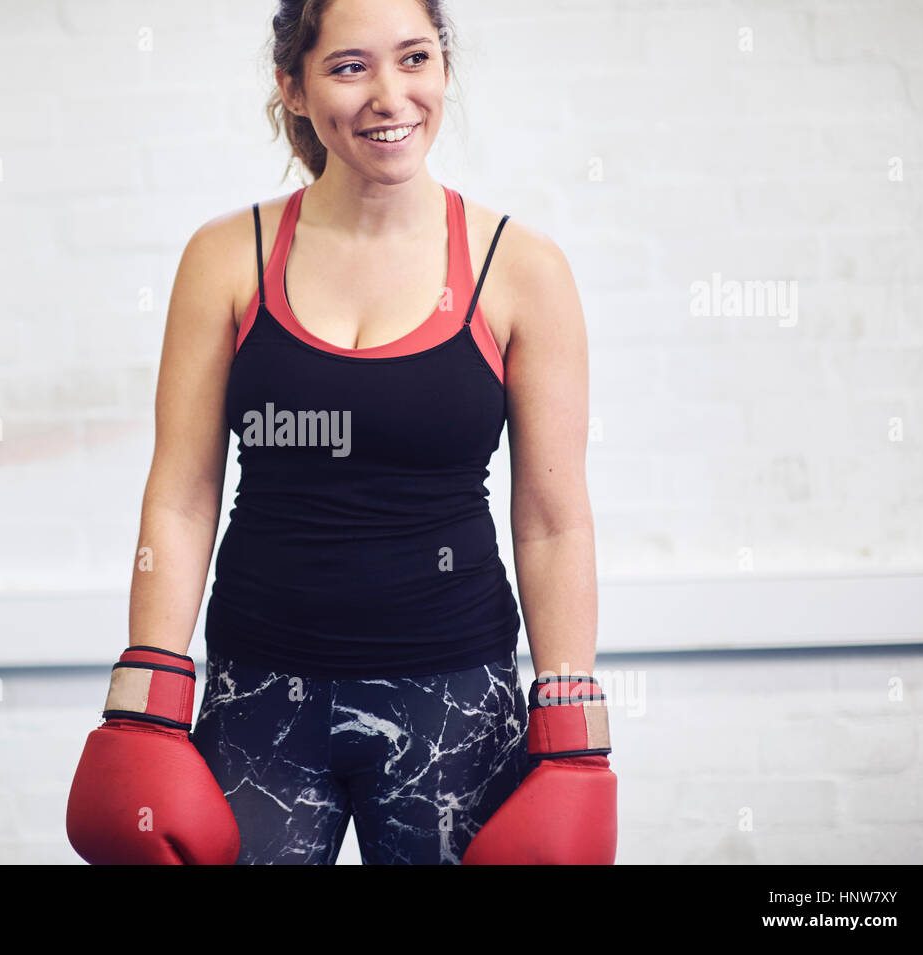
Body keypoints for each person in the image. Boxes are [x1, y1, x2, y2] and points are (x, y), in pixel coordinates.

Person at [66, 0, 616, 865]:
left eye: (416, 59)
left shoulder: (521, 268)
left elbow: (553, 517)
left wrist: (575, 727)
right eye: (350, 67)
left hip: (456, 696)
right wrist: (142, 702)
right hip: (262, 691)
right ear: (293, 86)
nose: (391, 95)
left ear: (443, 68)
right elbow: (180, 494)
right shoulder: (227, 256)